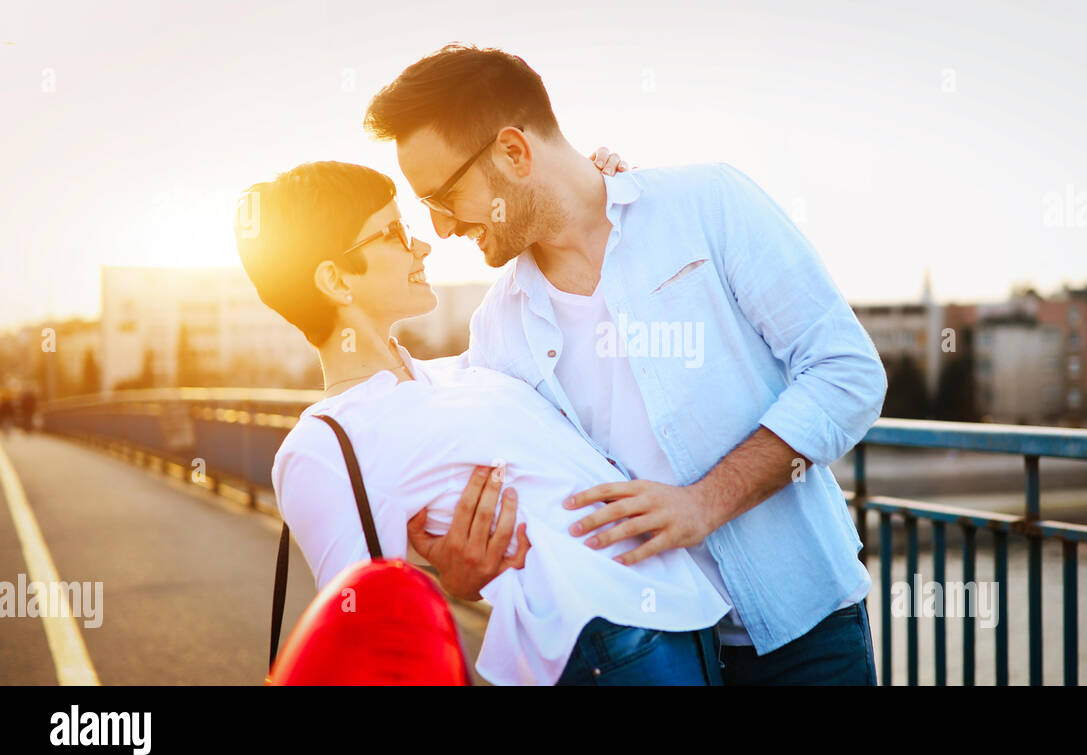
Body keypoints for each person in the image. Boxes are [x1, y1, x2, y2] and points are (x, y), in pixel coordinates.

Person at [365, 44, 889, 685]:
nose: (442, 229)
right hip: (642, 660)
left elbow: (847, 374)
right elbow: (521, 493)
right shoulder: (496, 330)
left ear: (513, 152)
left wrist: (705, 502)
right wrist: (468, 570)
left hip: (804, 634)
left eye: (444, 197)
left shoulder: (708, 205)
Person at [236, 159, 729, 686]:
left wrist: (589, 187)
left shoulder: (464, 369)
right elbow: (360, 633)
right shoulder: (323, 446)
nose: (421, 245)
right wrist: (454, 579)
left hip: (685, 618)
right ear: (335, 280)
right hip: (611, 647)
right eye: (394, 233)